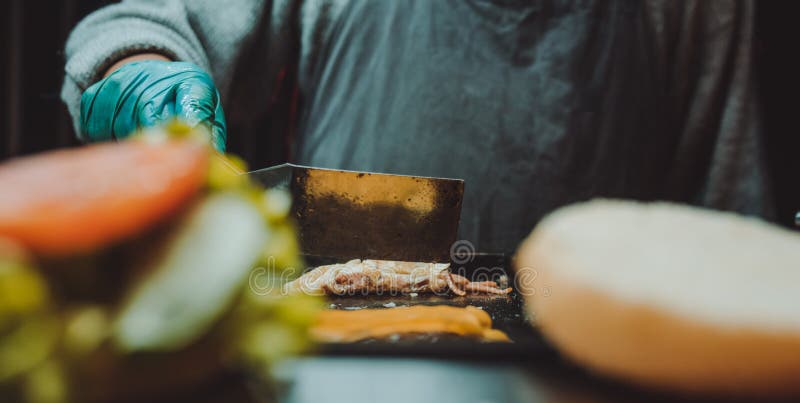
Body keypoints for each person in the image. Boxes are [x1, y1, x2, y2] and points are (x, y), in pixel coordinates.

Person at [62, 0, 772, 253]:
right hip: (341, 382)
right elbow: (141, 24)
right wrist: (143, 73)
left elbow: (730, 243)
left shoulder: (701, 9)